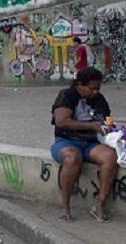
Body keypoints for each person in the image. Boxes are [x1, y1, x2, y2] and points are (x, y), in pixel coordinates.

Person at [50, 67, 118, 223]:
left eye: (97, 88)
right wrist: (91, 126)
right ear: (79, 85)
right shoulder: (67, 95)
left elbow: (106, 119)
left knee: (110, 156)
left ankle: (99, 204)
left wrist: (110, 127)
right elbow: (62, 121)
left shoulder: (99, 98)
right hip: (66, 141)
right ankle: (65, 206)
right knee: (72, 157)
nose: (95, 92)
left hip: (91, 143)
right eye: (91, 88)